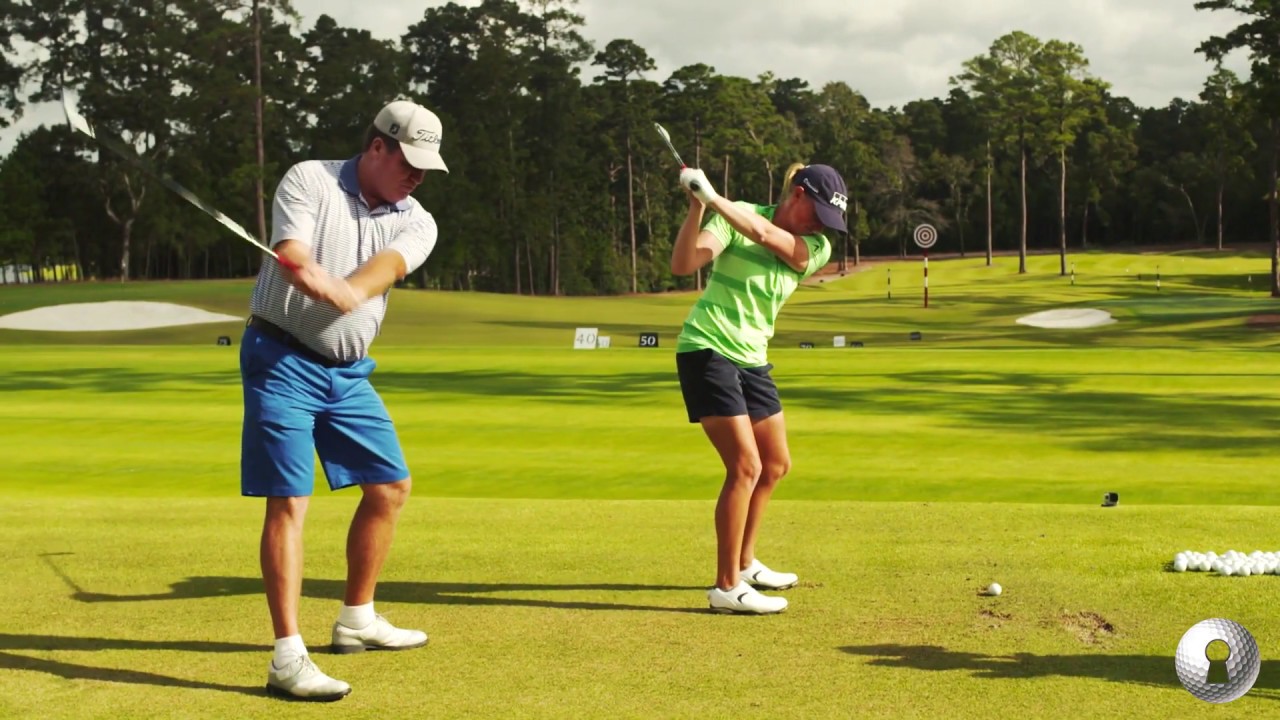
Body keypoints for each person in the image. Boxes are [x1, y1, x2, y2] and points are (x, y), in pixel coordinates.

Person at [240, 99, 447, 701]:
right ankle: (287, 658)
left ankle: (357, 618)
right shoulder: (310, 179)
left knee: (389, 487)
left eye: (426, 167)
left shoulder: (418, 220)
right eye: (408, 162)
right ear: (377, 146)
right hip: (280, 358)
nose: (417, 176)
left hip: (348, 373)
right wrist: (305, 271)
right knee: (289, 500)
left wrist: (345, 289)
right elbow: (295, 253)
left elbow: (378, 274)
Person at [670, 161, 848, 614]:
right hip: (707, 349)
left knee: (775, 464)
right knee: (745, 466)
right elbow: (683, 264)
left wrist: (714, 199)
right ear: (798, 194)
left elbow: (767, 235)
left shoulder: (815, 247)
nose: (821, 226)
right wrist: (697, 208)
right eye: (819, 214)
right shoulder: (737, 213)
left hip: (752, 359)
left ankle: (745, 563)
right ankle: (726, 587)